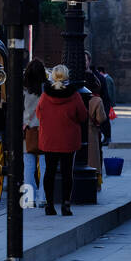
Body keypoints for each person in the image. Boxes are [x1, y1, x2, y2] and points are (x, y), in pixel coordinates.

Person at [35, 64, 87, 216]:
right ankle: (66, 204)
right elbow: (83, 116)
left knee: (49, 172)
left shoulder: (45, 95)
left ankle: (49, 205)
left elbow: (39, 114)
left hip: (49, 139)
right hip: (68, 139)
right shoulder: (74, 94)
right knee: (67, 172)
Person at [23, 58, 46, 194]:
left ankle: (29, 197)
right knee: (44, 166)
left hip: (28, 130)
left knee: (28, 167)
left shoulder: (24, 90)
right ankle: (43, 197)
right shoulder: (47, 90)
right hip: (44, 130)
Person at [81, 72, 107, 178]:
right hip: (92, 132)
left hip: (78, 133)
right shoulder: (97, 100)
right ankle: (94, 182)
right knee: (93, 160)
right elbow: (101, 118)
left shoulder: (77, 96)